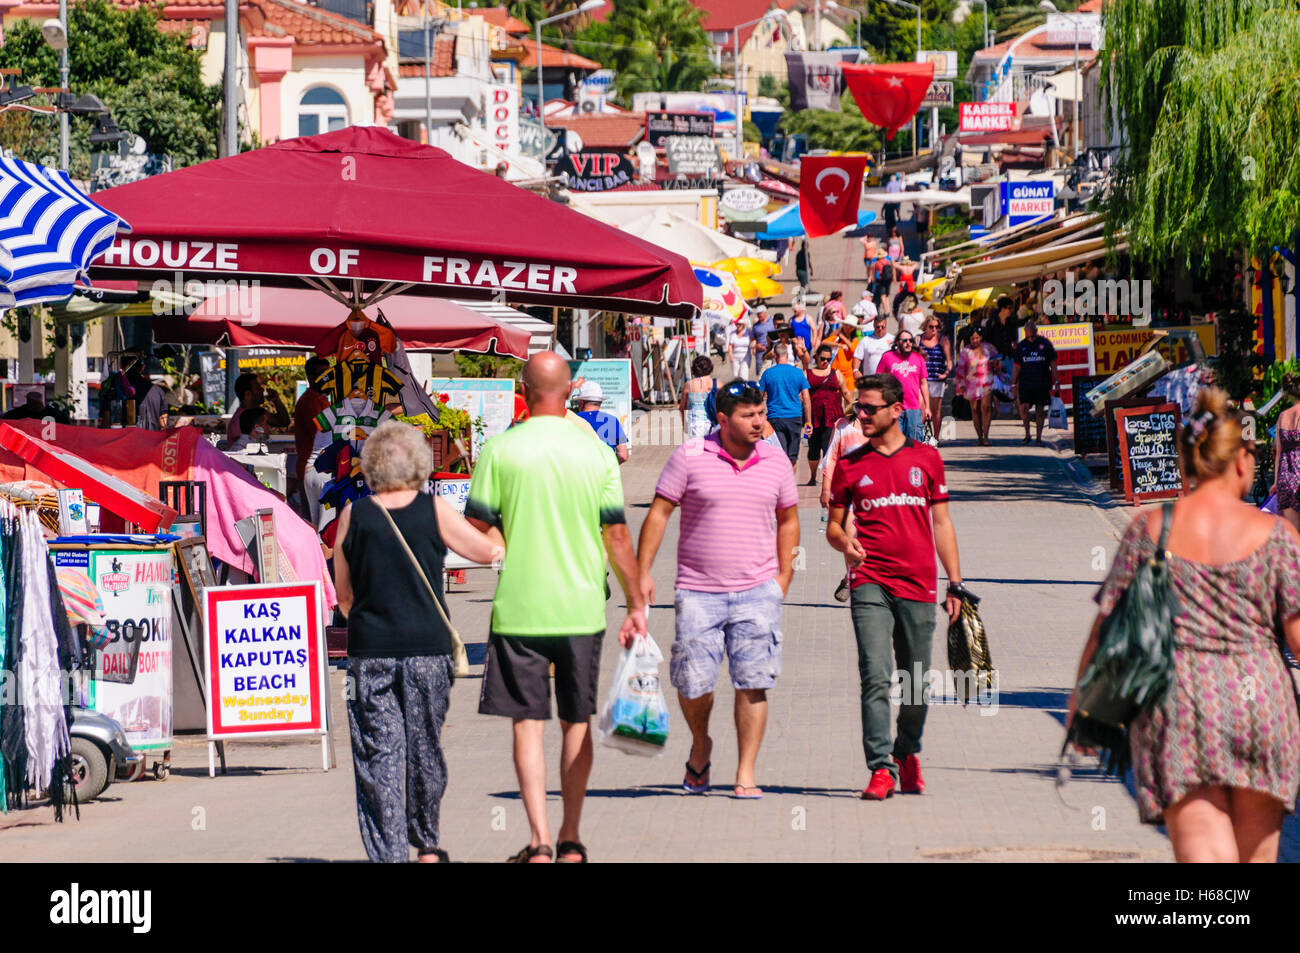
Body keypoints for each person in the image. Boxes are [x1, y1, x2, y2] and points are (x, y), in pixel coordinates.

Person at [1075, 388, 1300, 861]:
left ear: (1187, 462)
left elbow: (1108, 628)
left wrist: (1085, 712)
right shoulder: (1279, 537)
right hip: (1262, 704)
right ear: (1241, 461)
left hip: (1180, 707)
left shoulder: (1150, 530)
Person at [465, 352, 646, 864]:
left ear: (524, 388)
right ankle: (571, 838)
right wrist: (635, 603)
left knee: (526, 724)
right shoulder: (596, 454)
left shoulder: (500, 450)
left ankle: (539, 842)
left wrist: (507, 532)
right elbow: (616, 535)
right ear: (570, 390)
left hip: (519, 606)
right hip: (581, 606)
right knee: (576, 721)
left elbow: (477, 530)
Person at [332, 421, 504, 863]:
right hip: (428, 650)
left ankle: (390, 855)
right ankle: (427, 845)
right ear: (421, 464)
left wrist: (372, 620)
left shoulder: (354, 515)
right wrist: (504, 520)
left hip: (370, 654)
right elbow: (487, 553)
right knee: (425, 748)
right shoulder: (435, 510)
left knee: (379, 756)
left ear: (370, 466)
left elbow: (344, 595)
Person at [636, 379, 799, 799]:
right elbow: (658, 515)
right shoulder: (689, 456)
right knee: (693, 683)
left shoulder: (776, 460)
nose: (759, 422)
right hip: (697, 590)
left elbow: (789, 520)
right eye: (749, 415)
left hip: (759, 590)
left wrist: (784, 578)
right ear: (722, 419)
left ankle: (746, 771)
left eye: (761, 413)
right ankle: (702, 743)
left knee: (753, 681)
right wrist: (642, 572)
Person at [826, 373, 964, 801]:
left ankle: (907, 750)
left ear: (895, 410)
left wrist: (955, 583)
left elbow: (941, 522)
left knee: (918, 681)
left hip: (918, 583)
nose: (860, 415)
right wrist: (843, 542)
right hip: (869, 581)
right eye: (857, 409)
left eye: (868, 408)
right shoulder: (851, 464)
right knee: (875, 674)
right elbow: (833, 526)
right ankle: (881, 767)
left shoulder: (927, 459)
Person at [820, 406, 866, 603]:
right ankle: (851, 578)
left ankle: (858, 578)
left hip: (876, 494)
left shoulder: (883, 427)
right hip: (846, 493)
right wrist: (825, 489)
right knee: (850, 538)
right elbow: (831, 458)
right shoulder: (842, 426)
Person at [758, 341, 811, 469]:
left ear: (775, 356)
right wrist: (808, 422)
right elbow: (806, 399)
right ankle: (789, 484)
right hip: (794, 418)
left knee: (779, 455)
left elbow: (758, 398)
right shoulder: (798, 373)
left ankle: (781, 484)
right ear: (787, 356)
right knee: (792, 457)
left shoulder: (768, 373)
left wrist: (759, 418)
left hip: (775, 418)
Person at [1011, 318, 1058, 446]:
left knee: (1040, 410)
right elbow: (1016, 367)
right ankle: (1027, 434)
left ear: (1036, 331)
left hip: (1042, 383)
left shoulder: (1045, 344)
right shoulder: (1021, 346)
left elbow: (1053, 363)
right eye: (1028, 330)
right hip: (1025, 383)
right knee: (1024, 408)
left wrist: (1057, 381)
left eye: (1032, 329)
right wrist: (1013, 384)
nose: (1030, 332)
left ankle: (1038, 437)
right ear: (1025, 331)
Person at [806, 343, 846, 486]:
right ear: (816, 357)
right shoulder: (808, 373)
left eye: (828, 359)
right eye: (823, 358)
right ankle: (812, 476)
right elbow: (803, 396)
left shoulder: (836, 373)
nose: (825, 362)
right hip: (813, 418)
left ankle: (827, 478)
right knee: (813, 449)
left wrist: (851, 412)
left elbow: (846, 393)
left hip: (831, 417)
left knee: (828, 447)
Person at [294, 357, 333, 506]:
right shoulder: (310, 401)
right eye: (324, 374)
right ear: (311, 378)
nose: (328, 378)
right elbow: (323, 434)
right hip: (314, 469)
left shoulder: (321, 399)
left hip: (319, 468)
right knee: (316, 523)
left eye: (329, 373)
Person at [877, 332, 928, 442]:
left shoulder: (919, 358)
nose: (908, 343)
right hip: (893, 407)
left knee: (914, 444)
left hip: (914, 408)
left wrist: (927, 407)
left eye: (910, 340)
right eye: (905, 340)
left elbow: (923, 384)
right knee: (894, 443)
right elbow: (879, 381)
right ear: (897, 342)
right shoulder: (887, 357)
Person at [954, 325, 998, 446]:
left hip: (986, 381)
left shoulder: (989, 348)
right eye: (972, 338)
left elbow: (997, 359)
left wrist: (997, 365)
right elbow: (960, 369)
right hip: (971, 383)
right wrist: (961, 384)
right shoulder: (965, 351)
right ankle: (979, 436)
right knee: (974, 409)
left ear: (981, 337)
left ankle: (986, 436)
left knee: (986, 407)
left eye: (977, 338)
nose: (975, 341)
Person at [574, 380, 629, 464]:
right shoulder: (613, 421)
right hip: (605, 474)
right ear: (600, 402)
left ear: (581, 402)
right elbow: (623, 455)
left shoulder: (571, 420)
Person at [227, 372, 289, 445]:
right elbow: (241, 450)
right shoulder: (239, 420)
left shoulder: (260, 412)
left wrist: (276, 400)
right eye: (258, 387)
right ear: (248, 394)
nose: (262, 390)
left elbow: (284, 422)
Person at [918, 316, 953, 444]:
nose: (934, 329)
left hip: (937, 378)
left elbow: (949, 360)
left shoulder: (943, 340)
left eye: (937, 327)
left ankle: (936, 438)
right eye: (931, 326)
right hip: (922, 379)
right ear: (925, 326)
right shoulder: (918, 339)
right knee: (921, 408)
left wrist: (946, 373)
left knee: (935, 410)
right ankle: (921, 437)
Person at [1272, 375, 1300, 531]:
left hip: (1285, 478)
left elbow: (1279, 452)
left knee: (1293, 532)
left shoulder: (1283, 416)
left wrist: (1276, 481)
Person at [681, 355, 717, 442]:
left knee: (697, 453)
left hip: (695, 424)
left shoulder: (689, 385)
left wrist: (684, 425)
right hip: (713, 423)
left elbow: (682, 407)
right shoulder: (717, 384)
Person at [854, 312, 895, 377]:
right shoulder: (865, 340)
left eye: (882, 327)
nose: (880, 329)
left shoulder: (893, 339)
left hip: (887, 380)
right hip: (870, 380)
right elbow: (857, 356)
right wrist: (855, 370)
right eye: (877, 327)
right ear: (873, 326)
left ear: (886, 325)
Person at [3, 390, 71, 425]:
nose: (35, 405)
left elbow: (67, 430)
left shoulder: (57, 415)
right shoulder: (17, 414)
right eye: (32, 403)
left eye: (37, 403)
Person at [750, 305, 775, 375]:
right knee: (761, 373)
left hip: (771, 351)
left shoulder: (772, 322)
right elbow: (752, 339)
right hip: (760, 353)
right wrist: (756, 346)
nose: (758, 315)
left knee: (771, 372)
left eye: (760, 313)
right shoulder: (755, 326)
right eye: (757, 314)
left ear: (765, 313)